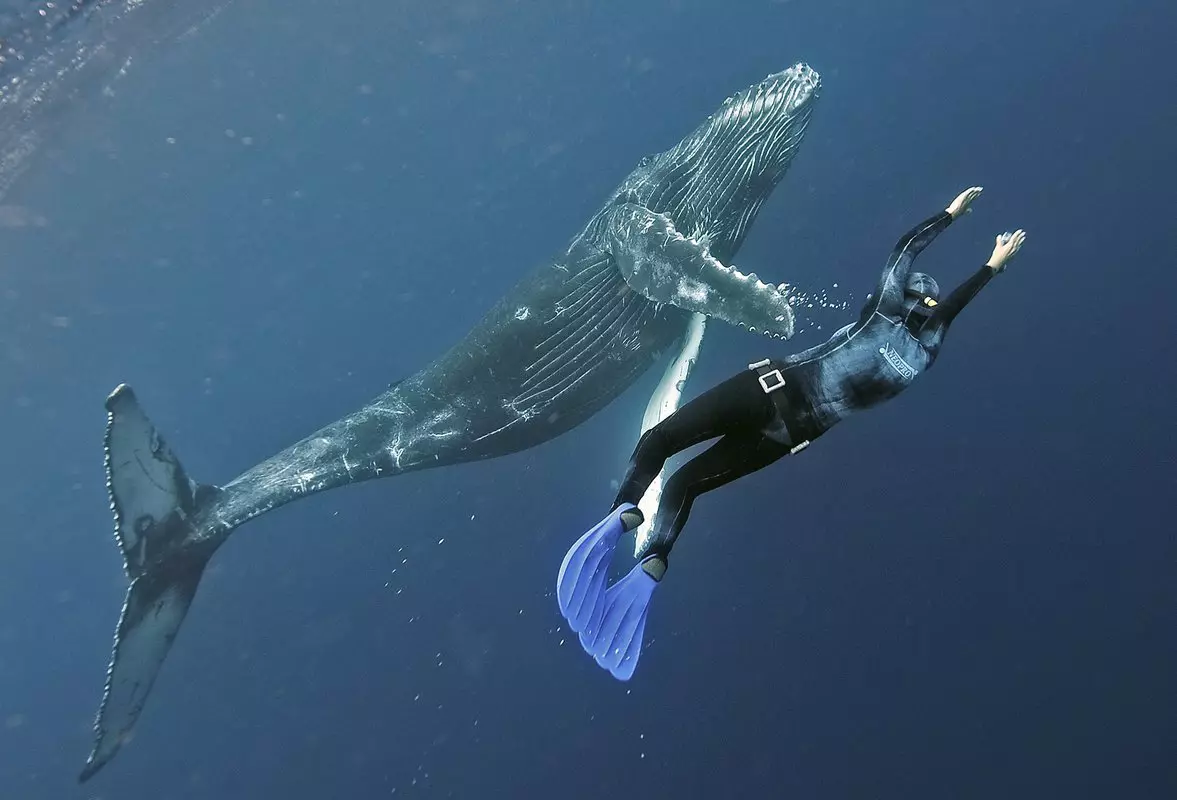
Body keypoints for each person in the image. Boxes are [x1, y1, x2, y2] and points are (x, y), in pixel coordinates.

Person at [555, 186, 1027, 679]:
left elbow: (903, 254)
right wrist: (991, 269)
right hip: (790, 435)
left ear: (910, 297)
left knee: (659, 442)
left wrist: (950, 216)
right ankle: (653, 560)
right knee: (683, 486)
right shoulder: (922, 354)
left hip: (768, 387)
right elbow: (950, 309)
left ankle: (623, 515)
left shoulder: (884, 313)